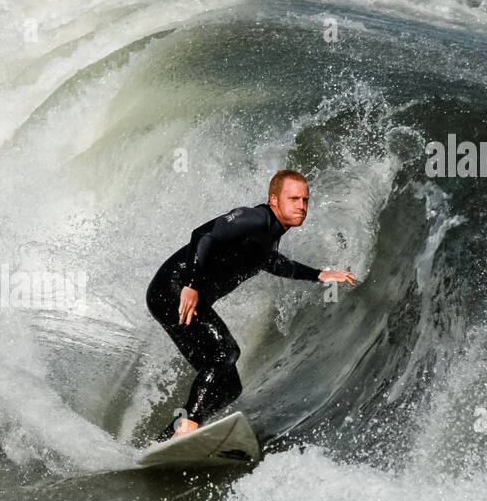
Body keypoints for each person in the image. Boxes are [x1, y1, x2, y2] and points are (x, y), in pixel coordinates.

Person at [145, 169, 357, 442]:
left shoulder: (268, 236)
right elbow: (203, 234)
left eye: (305, 200)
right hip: (173, 289)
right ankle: (189, 426)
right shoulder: (256, 218)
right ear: (274, 200)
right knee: (225, 352)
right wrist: (192, 285)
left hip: (171, 295)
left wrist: (319, 274)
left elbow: (274, 263)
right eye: (294, 199)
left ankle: (167, 439)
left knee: (229, 387)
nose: (302, 206)